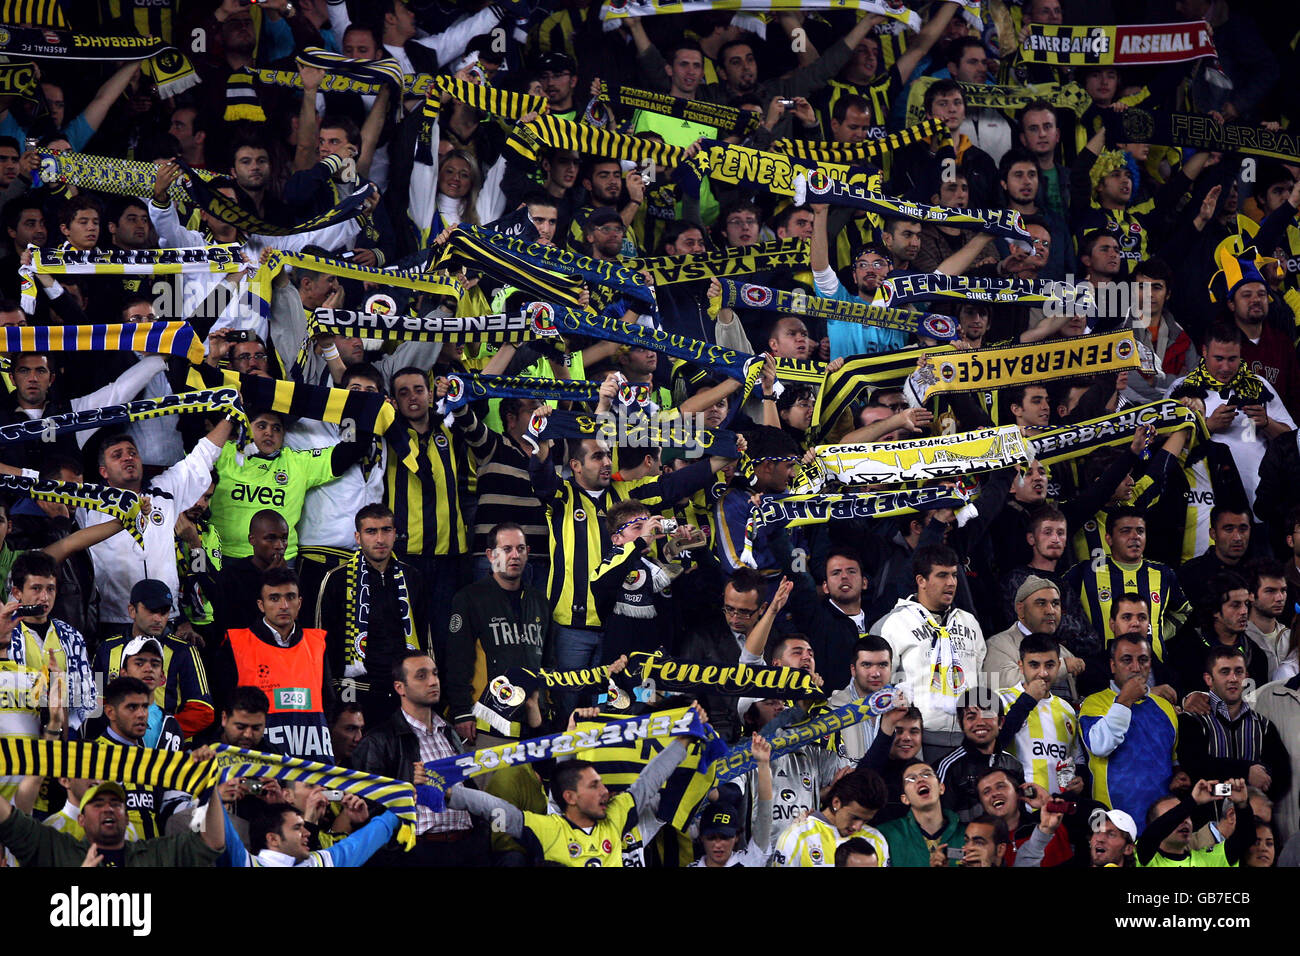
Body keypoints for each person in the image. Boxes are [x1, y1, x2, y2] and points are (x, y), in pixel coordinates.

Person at [441, 705, 707, 867]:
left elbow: (650, 780)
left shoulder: (615, 817)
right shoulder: (550, 829)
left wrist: (684, 739)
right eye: (594, 786)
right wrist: (448, 792)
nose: (605, 791)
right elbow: (496, 807)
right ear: (570, 797)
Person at [351, 652, 485, 866]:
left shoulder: (449, 733)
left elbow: (468, 788)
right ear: (399, 688)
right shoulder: (379, 740)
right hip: (417, 853)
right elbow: (368, 808)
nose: (433, 681)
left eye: (434, 674)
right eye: (421, 676)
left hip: (465, 847)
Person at [317, 503, 430, 726]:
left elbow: (427, 637)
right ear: (357, 537)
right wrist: (330, 694)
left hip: (402, 689)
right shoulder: (336, 579)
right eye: (371, 531)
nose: (380, 539)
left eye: (386, 530)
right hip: (354, 691)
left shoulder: (413, 576)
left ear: (395, 534)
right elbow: (322, 641)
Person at [874, 544, 986, 762]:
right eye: (942, 575)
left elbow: (980, 678)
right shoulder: (892, 624)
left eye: (954, 575)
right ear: (921, 580)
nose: (952, 583)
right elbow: (877, 687)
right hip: (919, 742)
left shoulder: (970, 622)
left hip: (969, 740)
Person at [444, 522, 553, 743]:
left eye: (520, 549)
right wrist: (462, 711)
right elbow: (457, 660)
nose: (515, 555)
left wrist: (547, 707)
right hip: (488, 717)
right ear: (490, 555)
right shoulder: (469, 598)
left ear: (528, 553)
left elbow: (549, 659)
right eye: (507, 549)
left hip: (534, 718)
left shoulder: (540, 601)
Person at [213, 568, 335, 760]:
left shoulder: (318, 643)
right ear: (261, 605)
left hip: (311, 761)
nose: (284, 605)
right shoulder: (236, 643)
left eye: (290, 597)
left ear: (300, 602)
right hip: (255, 758)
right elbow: (222, 703)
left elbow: (329, 702)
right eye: (274, 598)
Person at [0, 778, 225, 867]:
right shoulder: (58, 849)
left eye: (116, 803)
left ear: (127, 817)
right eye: (97, 804)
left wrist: (210, 783)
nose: (108, 808)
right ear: (81, 819)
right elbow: (9, 821)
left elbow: (211, 841)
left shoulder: (155, 854)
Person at [1080, 635, 1179, 832]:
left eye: (1143, 660)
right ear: (1112, 665)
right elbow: (1100, 746)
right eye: (1127, 660)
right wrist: (1125, 700)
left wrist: (1179, 774)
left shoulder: (1165, 708)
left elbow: (1172, 759)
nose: (1136, 668)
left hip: (1160, 824)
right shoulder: (1094, 704)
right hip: (1111, 823)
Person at [92, 579, 214, 739]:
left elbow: (203, 710)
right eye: (151, 610)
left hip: (168, 753)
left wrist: (159, 733)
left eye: (164, 612)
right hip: (117, 748)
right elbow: (94, 705)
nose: (158, 618)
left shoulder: (184, 651)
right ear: (132, 610)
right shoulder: (106, 649)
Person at [1177, 646, 1289, 803]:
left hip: (1254, 822)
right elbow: (1196, 772)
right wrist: (1245, 773)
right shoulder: (1191, 721)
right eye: (1225, 672)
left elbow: (1281, 776)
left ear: (1247, 677)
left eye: (1238, 671)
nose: (1233, 678)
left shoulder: (1263, 726)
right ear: (1209, 679)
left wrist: (1246, 789)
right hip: (1207, 823)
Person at [997, 633, 1082, 796]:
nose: (1043, 673)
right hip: (1020, 809)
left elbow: (1075, 760)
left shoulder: (1067, 710)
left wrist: (1079, 778)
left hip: (1057, 810)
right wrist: (1028, 700)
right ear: (1021, 666)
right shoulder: (1001, 699)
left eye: (1049, 665)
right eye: (1034, 665)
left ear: (1058, 665)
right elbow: (994, 746)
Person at [773, 769, 890, 867]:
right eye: (854, 817)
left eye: (865, 820)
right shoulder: (796, 837)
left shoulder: (876, 839)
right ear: (836, 802)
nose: (857, 827)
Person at [935, 694, 1024, 822]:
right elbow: (940, 820)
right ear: (961, 724)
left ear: (1001, 722)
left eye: (988, 715)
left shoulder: (1014, 765)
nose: (980, 722)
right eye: (971, 717)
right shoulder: (948, 766)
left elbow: (1020, 813)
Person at [689, 734, 773, 867]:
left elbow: (765, 816)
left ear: (736, 837)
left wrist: (763, 764)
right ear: (701, 838)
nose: (718, 845)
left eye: (725, 837)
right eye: (711, 837)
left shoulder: (749, 861)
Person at [1135, 777, 1254, 867]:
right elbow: (1151, 835)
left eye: (1187, 816)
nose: (1184, 820)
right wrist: (1192, 801)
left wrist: (1242, 805)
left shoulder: (1209, 860)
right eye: (1176, 815)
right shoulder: (1142, 858)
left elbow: (1245, 838)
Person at [876, 760, 965, 867]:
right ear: (905, 799)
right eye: (911, 779)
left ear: (941, 788)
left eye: (927, 774)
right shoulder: (886, 835)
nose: (920, 779)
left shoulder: (968, 835)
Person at [827, 636, 892, 762]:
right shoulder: (829, 710)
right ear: (853, 670)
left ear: (891, 668)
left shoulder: (903, 709)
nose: (875, 673)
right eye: (867, 665)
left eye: (883, 665)